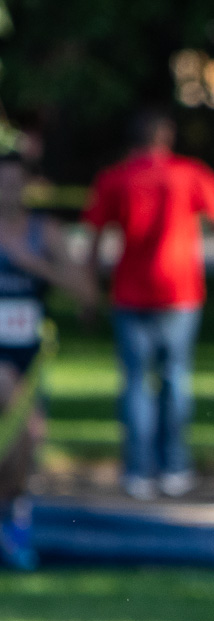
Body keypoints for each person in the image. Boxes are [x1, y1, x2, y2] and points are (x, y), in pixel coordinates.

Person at [82, 109, 214, 500]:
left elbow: (93, 240)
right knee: (175, 378)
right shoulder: (188, 173)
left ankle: (138, 470)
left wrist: (89, 293)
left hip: (129, 292)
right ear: (167, 138)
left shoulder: (115, 177)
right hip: (179, 291)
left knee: (136, 382)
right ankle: (174, 466)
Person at [0, 153, 92, 567]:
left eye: (15, 183)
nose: (8, 192)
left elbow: (85, 292)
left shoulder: (45, 232)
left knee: (27, 441)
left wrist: (34, 264)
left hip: (30, 355)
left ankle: (13, 515)